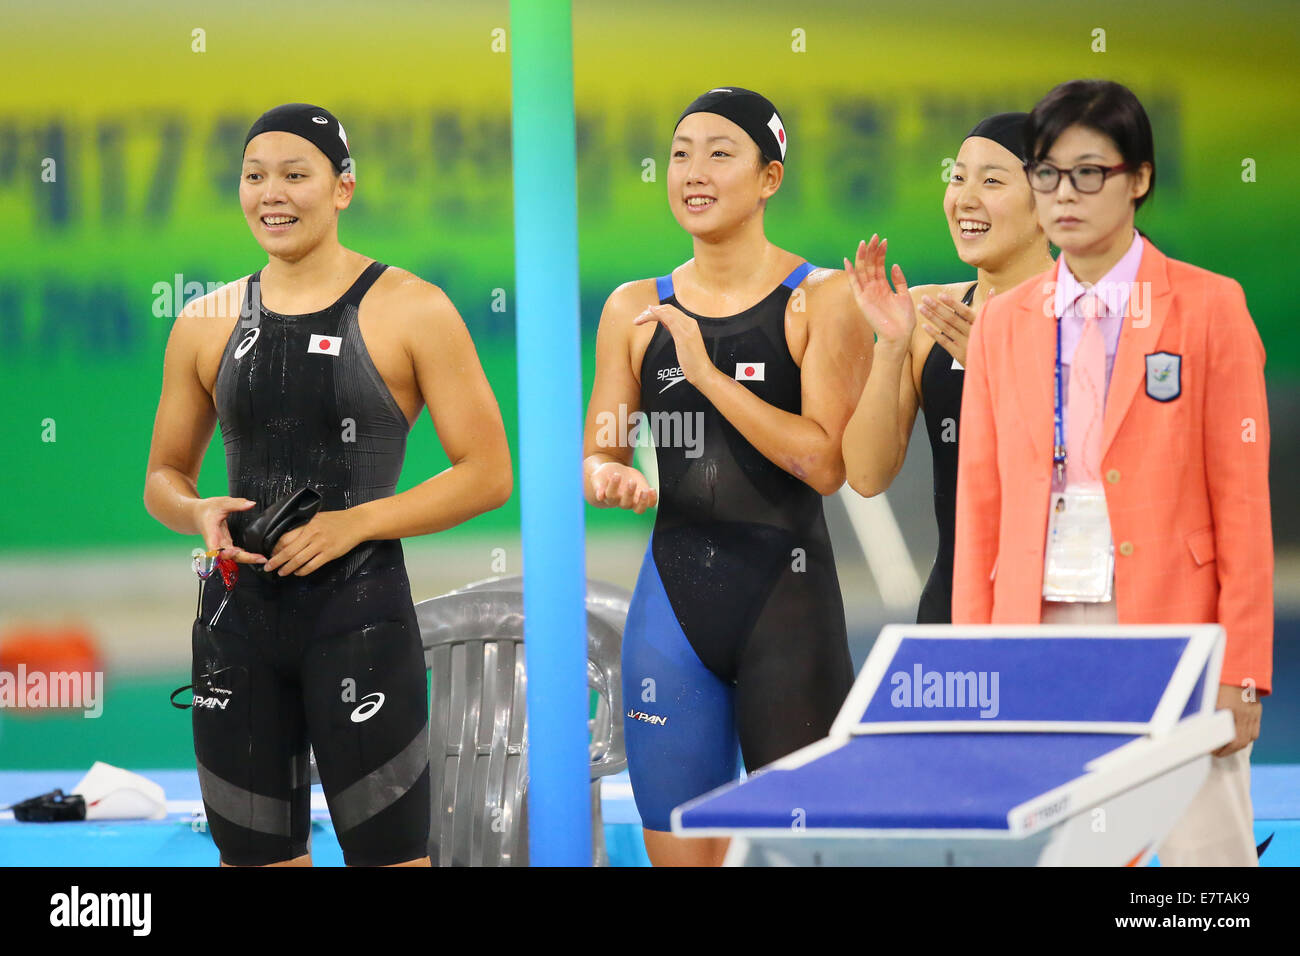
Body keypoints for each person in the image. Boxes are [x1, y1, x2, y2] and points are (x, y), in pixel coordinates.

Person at [144, 103, 512, 867]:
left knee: (389, 859)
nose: (270, 193)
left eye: (294, 175)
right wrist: (197, 510)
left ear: (343, 189)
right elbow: (163, 477)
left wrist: (357, 524)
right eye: (253, 176)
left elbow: (488, 474)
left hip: (359, 622)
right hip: (234, 626)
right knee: (254, 860)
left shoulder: (413, 308)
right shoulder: (206, 320)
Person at [953, 80, 1272, 865]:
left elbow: (1242, 500)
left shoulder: (1209, 306)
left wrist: (1242, 670)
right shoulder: (1003, 319)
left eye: (1090, 172)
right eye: (1047, 173)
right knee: (1069, 847)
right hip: (1042, 621)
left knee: (1206, 866)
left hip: (1174, 618)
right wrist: (974, 663)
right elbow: (980, 506)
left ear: (1140, 179)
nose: (1066, 194)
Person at [581, 87, 871, 867]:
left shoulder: (820, 300)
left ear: (769, 178)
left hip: (790, 608)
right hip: (672, 611)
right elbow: (602, 448)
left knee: (800, 856)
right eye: (680, 155)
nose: (693, 172)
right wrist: (609, 477)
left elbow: (823, 461)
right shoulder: (634, 308)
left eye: (720, 153)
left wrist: (707, 375)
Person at [841, 112, 1054, 623]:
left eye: (992, 181)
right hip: (954, 605)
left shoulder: (1083, 313)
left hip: (1058, 607)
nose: (966, 198)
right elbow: (866, 475)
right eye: (957, 177)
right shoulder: (927, 315)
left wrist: (996, 372)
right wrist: (891, 346)